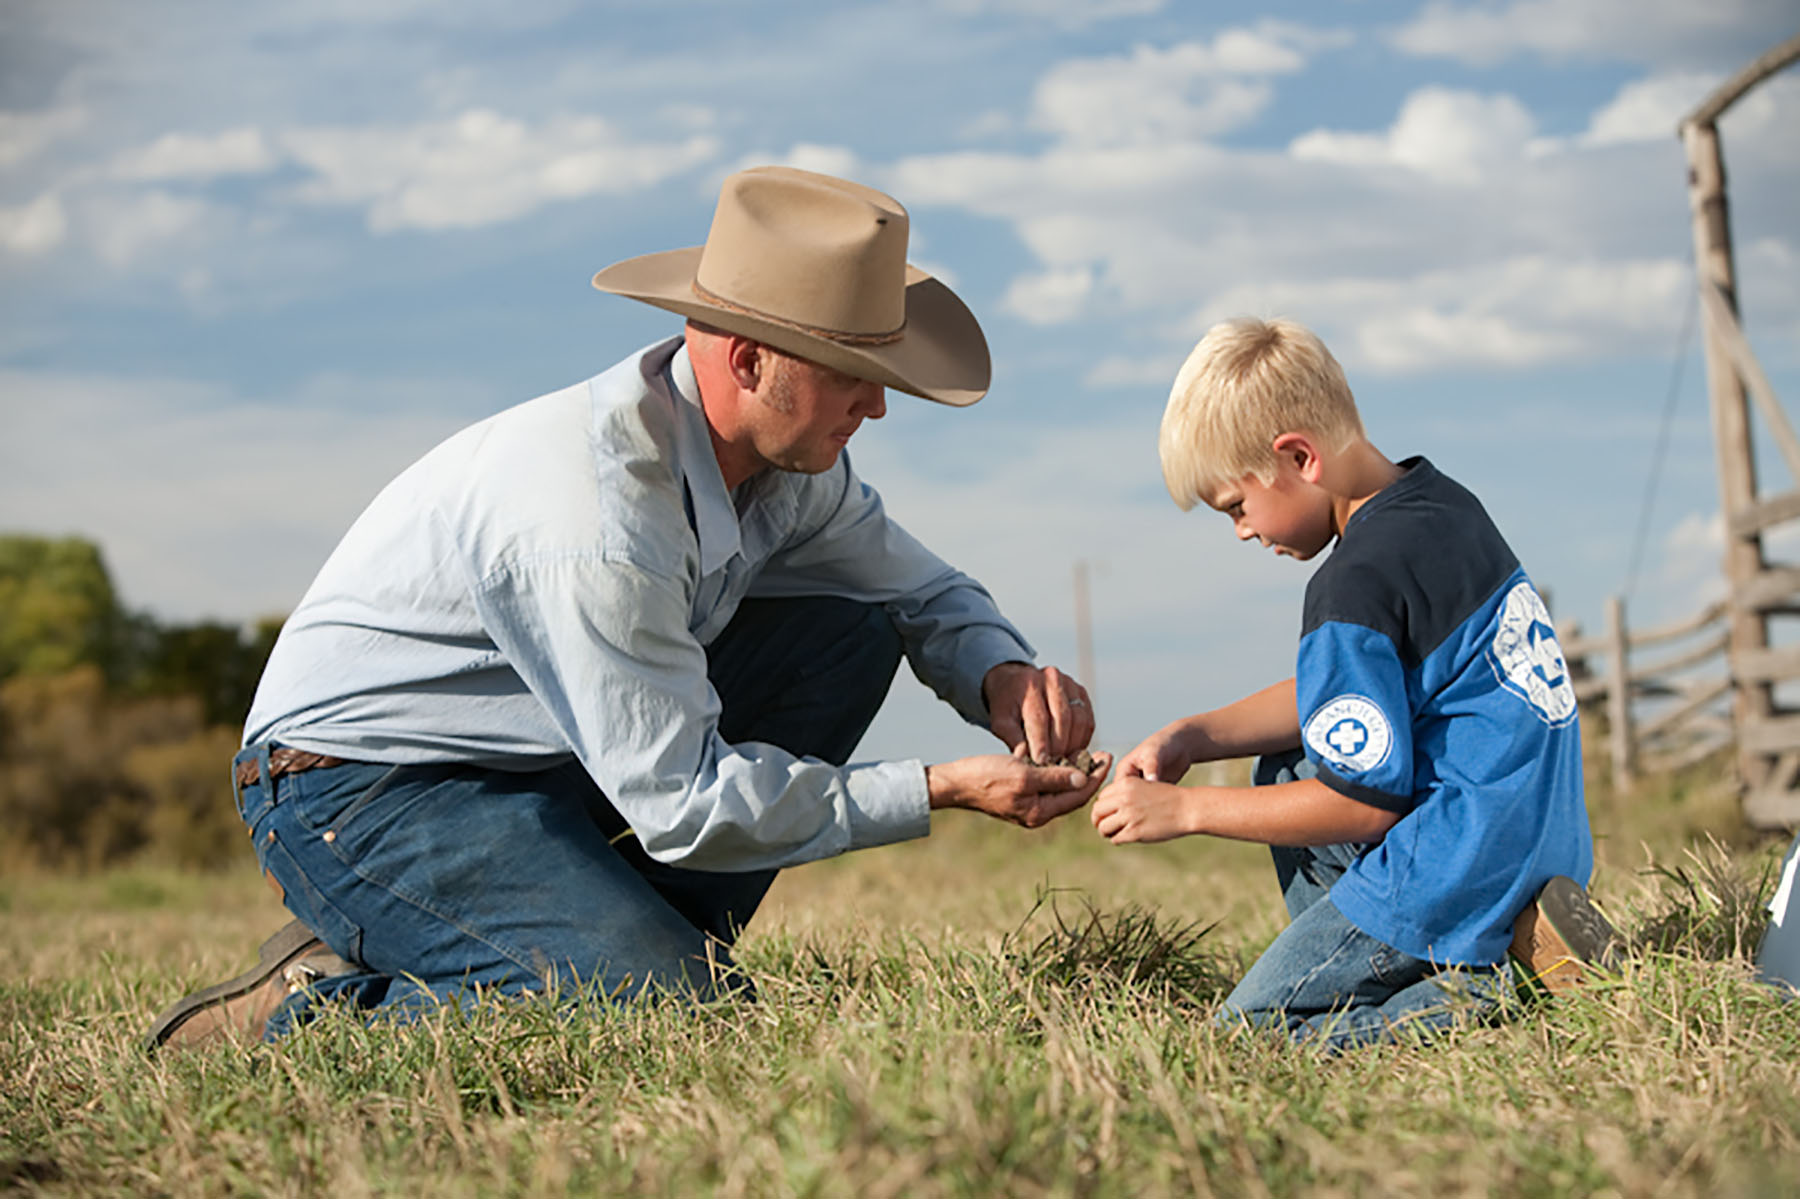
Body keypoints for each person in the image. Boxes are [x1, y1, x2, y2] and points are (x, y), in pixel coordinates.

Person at [146, 165, 1110, 1050]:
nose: (880, 407)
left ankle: (589, 942)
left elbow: (920, 591)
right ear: (749, 362)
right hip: (356, 787)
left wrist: (998, 669)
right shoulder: (598, 513)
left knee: (849, 630)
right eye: (852, 377)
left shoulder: (793, 472)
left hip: (537, 753)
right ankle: (313, 1011)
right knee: (665, 1006)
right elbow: (683, 802)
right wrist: (938, 787)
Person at [1090, 316, 1613, 1051]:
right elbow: (1342, 696)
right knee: (1285, 765)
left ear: (1298, 457)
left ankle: (1501, 990)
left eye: (1236, 506)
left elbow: (1361, 804)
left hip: (1462, 866)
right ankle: (1422, 957)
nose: (1242, 531)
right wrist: (1194, 737)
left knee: (1250, 1033)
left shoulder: (1352, 584)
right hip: (1540, 846)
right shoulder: (1445, 506)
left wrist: (1187, 809)